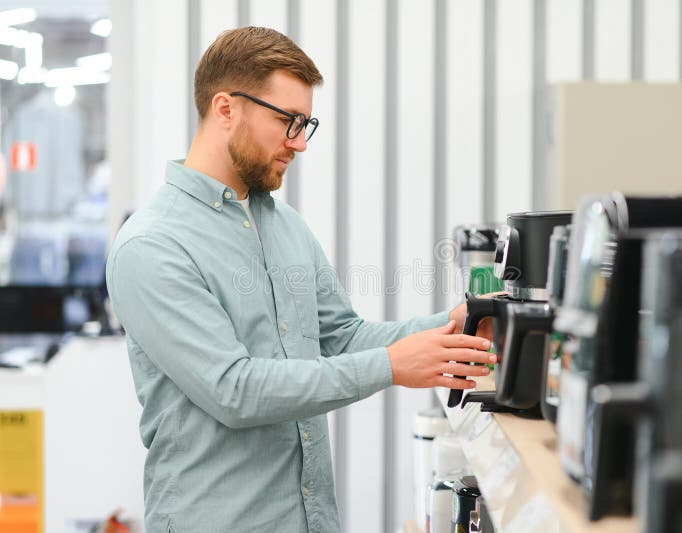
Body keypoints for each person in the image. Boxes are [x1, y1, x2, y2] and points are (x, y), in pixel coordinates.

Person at [105, 26, 493, 532]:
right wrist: (390, 366)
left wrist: (449, 326)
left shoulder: (283, 224)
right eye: (287, 120)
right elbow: (234, 390)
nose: (298, 143)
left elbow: (340, 337)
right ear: (225, 109)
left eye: (304, 124)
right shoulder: (151, 246)